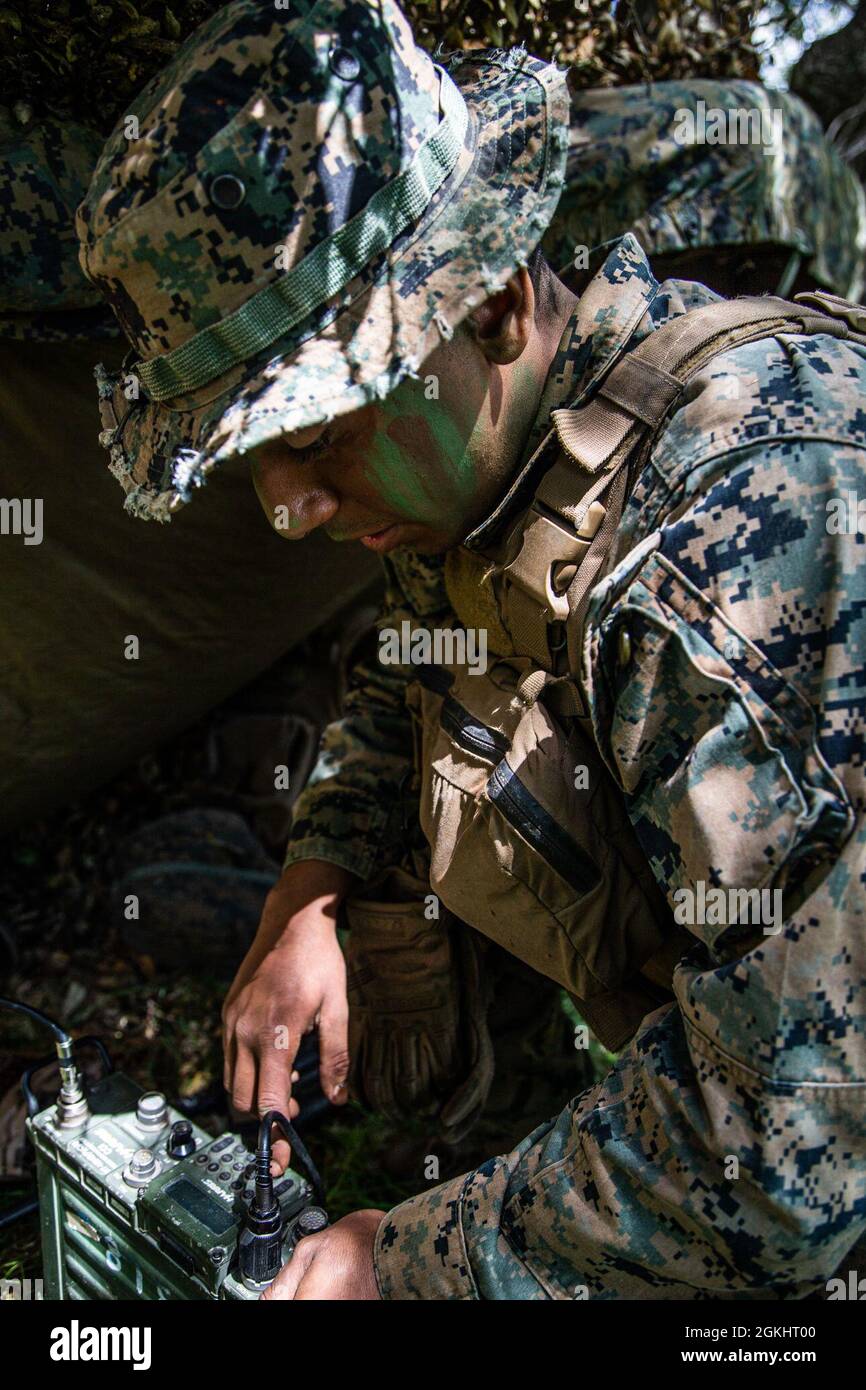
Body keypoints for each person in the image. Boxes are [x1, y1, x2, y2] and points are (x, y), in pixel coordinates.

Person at [77, 0, 866, 1299]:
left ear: (491, 299)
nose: (286, 508)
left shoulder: (734, 555)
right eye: (251, 460)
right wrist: (311, 889)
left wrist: (404, 1264)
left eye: (316, 433)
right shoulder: (494, 460)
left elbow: (787, 1148)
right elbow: (413, 659)